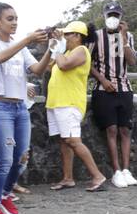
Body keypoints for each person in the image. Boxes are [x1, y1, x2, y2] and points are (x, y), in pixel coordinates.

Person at [0, 0, 54, 214]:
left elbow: (38, 71)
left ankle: (5, 194)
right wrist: (28, 39)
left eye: (16, 19)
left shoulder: (19, 46)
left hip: (20, 107)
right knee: (4, 159)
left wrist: (51, 48)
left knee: (21, 157)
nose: (15, 23)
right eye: (10, 19)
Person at [46, 20, 109, 192]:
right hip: (56, 101)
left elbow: (64, 66)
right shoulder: (66, 51)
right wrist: (54, 47)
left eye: (67, 34)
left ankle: (98, 176)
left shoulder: (81, 51)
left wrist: (59, 48)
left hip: (69, 102)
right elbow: (50, 66)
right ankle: (68, 178)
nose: (64, 37)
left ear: (77, 36)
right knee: (64, 141)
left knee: (73, 140)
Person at [91, 1, 137, 188]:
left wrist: (124, 38)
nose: (113, 18)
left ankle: (127, 170)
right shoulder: (96, 37)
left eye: (116, 15)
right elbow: (88, 63)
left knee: (125, 130)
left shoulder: (128, 36)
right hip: (104, 90)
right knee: (111, 130)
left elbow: (132, 61)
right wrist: (102, 80)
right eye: (110, 15)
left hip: (124, 88)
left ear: (121, 17)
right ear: (104, 17)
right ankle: (116, 171)